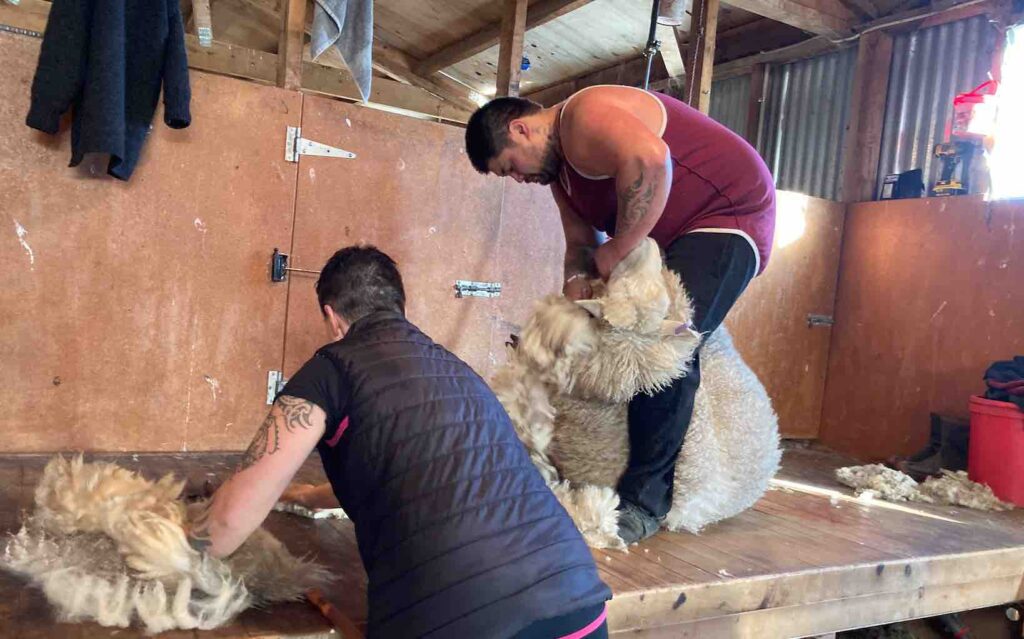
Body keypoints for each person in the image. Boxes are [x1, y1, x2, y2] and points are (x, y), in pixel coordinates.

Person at [187, 246, 611, 638]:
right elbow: (408, 468)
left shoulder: (331, 369)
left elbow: (224, 527)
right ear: (399, 308)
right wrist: (301, 496)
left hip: (465, 622)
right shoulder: (457, 371)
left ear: (333, 319)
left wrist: (154, 545)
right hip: (578, 606)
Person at [464, 85, 776, 544]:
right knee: (589, 338)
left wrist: (621, 249)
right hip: (671, 235)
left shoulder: (583, 115)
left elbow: (651, 160)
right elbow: (579, 246)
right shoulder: (561, 178)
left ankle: (644, 503)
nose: (517, 179)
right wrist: (574, 297)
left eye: (511, 166)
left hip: (730, 215)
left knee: (662, 349)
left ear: (521, 128)